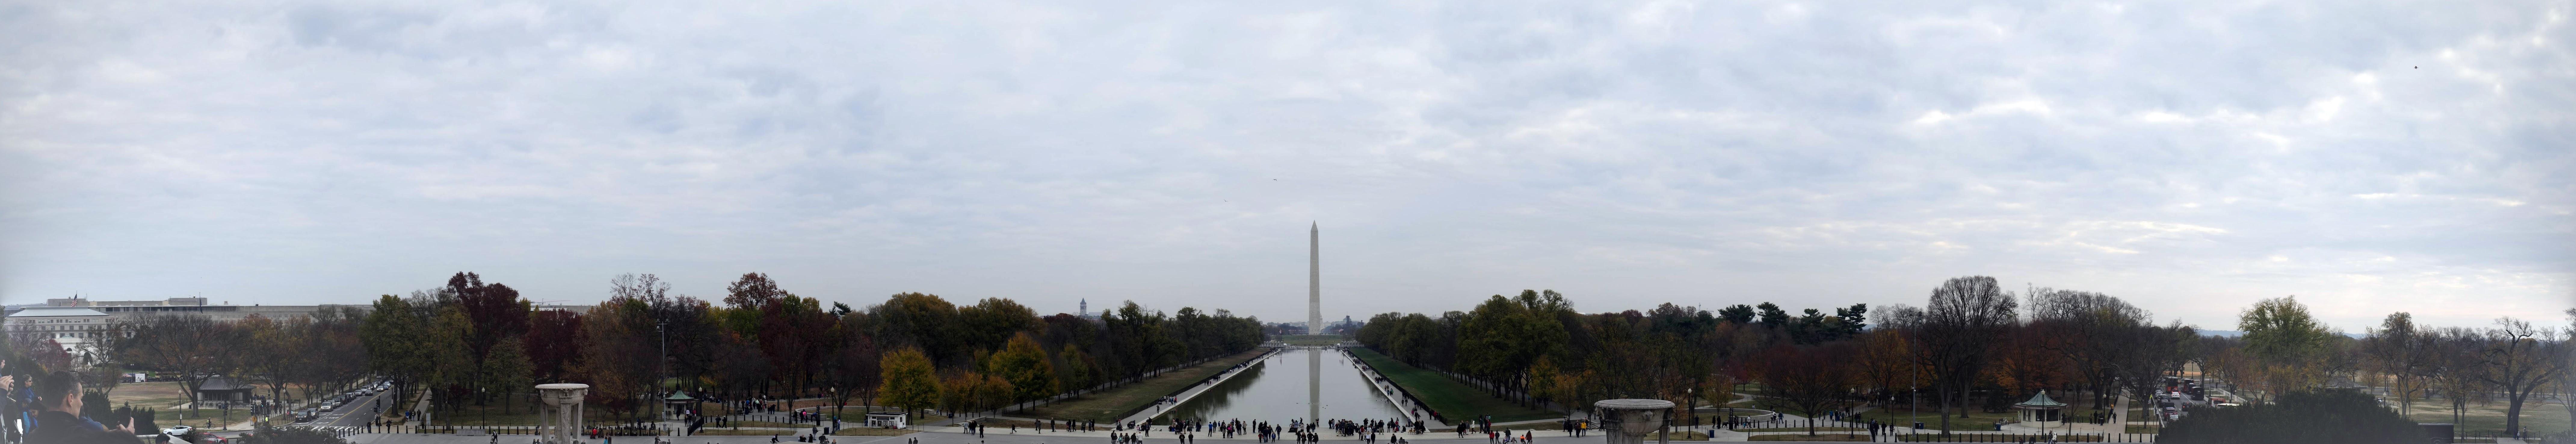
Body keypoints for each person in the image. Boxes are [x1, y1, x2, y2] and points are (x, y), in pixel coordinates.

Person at [23, 370, 139, 444]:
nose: (82, 403)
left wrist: (110, 436)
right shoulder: (82, 438)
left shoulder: (33, 437)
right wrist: (128, 439)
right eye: (80, 398)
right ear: (71, 399)